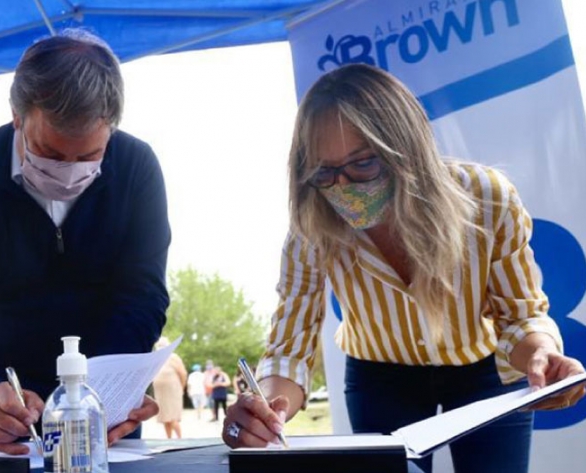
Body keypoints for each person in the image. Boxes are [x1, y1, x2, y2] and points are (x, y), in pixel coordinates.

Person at [222, 64, 585, 473]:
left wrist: (542, 357)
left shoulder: (486, 199)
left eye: (363, 164)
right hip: (379, 377)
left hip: (484, 372)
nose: (344, 187)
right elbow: (290, 348)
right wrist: (265, 410)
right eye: (325, 172)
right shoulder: (311, 224)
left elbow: (520, 315)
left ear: (407, 150)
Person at [0, 28, 170, 455]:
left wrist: (111, 391)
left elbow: (142, 295)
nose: (67, 172)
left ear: (111, 128)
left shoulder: (137, 168)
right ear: (17, 115)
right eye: (48, 151)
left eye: (89, 157)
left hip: (95, 398)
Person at [151, 337, 188, 439]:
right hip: (160, 391)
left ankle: (179, 439)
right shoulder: (156, 357)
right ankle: (169, 439)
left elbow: (182, 373)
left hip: (173, 389)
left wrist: (182, 386)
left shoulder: (173, 357)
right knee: (165, 416)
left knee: (172, 416)